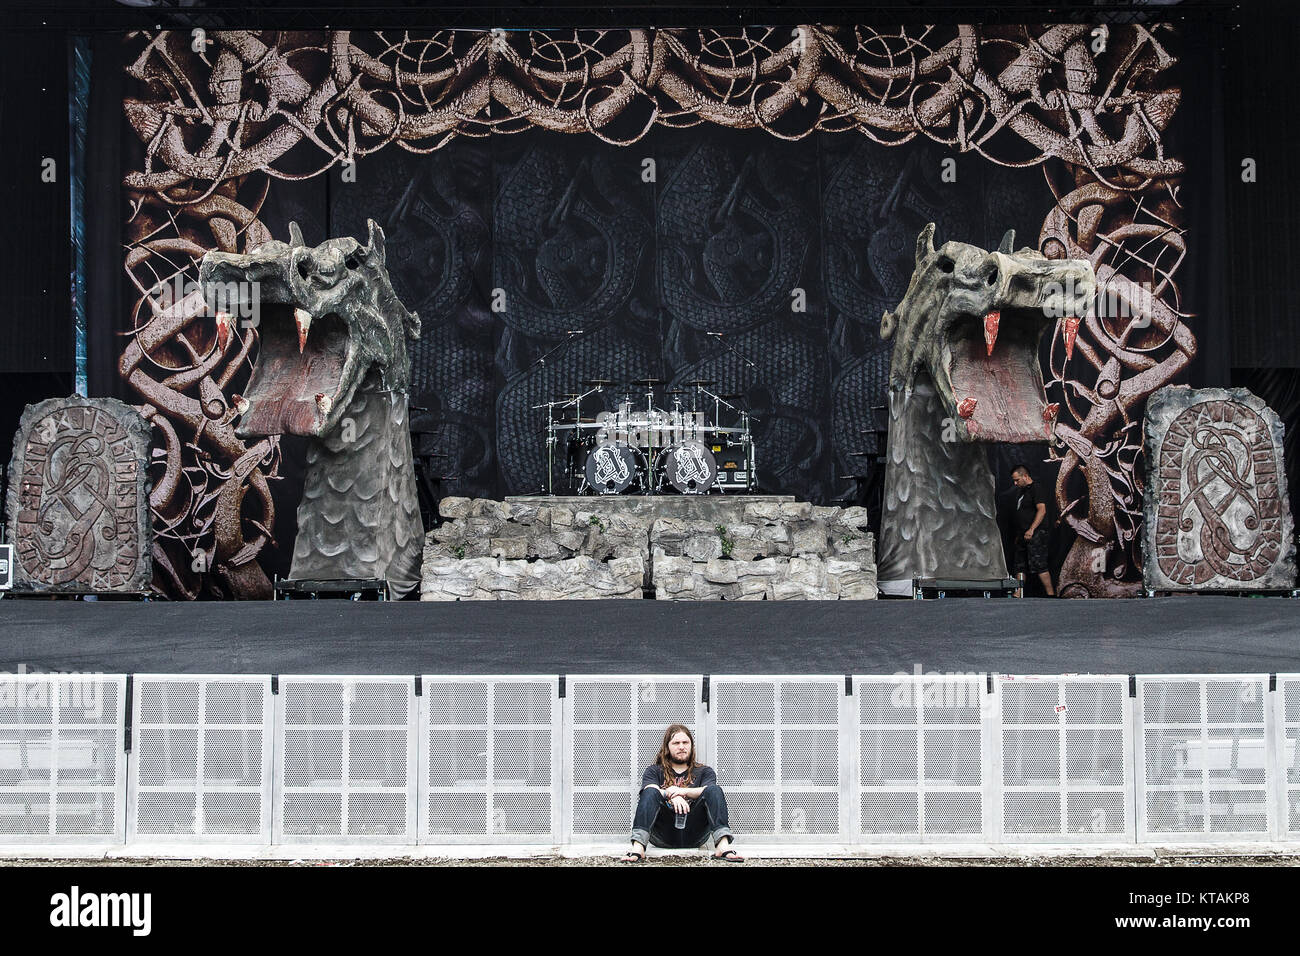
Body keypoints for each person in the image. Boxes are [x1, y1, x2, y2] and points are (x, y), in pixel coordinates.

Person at [619, 723, 744, 863]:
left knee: (714, 790)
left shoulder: (704, 771)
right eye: (676, 743)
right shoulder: (654, 771)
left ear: (691, 745)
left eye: (685, 742)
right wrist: (672, 796)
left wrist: (680, 791)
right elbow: (650, 790)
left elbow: (708, 791)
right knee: (650, 792)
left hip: (695, 834)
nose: (681, 746)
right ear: (667, 747)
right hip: (662, 835)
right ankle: (638, 848)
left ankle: (722, 846)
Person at [1011, 465, 1054, 596]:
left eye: (1017, 480)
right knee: (1020, 565)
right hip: (1023, 534)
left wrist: (1031, 529)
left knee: (1039, 564)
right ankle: (1019, 592)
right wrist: (1020, 533)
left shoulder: (1037, 489)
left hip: (1036, 533)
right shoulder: (1022, 492)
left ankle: (1051, 593)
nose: (1015, 483)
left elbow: (1042, 510)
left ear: (1025, 476)